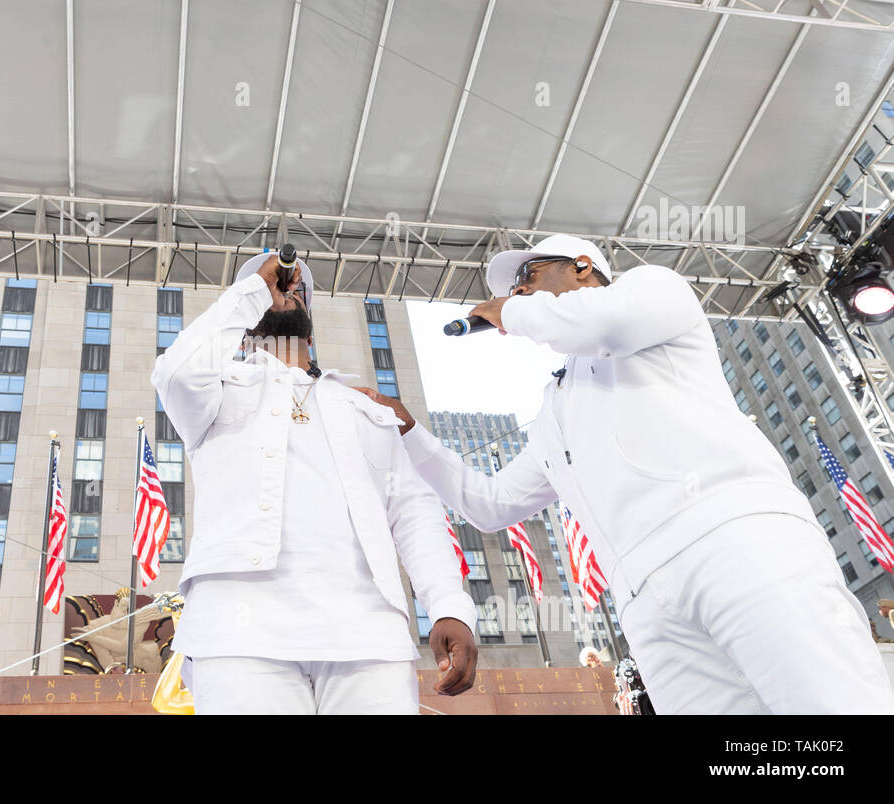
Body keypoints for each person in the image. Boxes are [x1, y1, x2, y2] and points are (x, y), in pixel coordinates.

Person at [359, 233, 894, 714]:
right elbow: (490, 504)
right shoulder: (555, 409)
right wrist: (411, 433)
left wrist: (512, 313)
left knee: (829, 704)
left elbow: (603, 322)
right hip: (644, 602)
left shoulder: (654, 292)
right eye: (513, 290)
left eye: (528, 276)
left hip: (735, 541)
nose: (517, 293)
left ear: (583, 266)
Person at [150, 250, 476, 714]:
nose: (285, 291)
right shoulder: (213, 392)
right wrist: (252, 291)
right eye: (273, 287)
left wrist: (448, 605)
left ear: (312, 318)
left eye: (295, 289)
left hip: (367, 634)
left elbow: (414, 511)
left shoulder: (365, 407)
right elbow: (174, 372)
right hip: (239, 633)